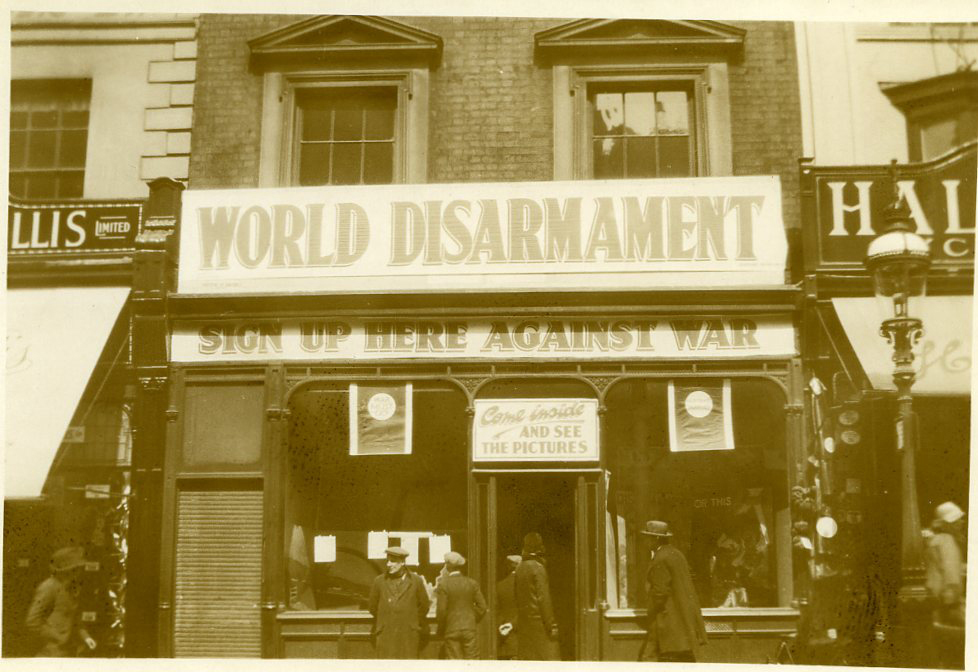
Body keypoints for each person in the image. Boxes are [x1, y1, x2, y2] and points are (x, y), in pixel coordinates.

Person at [640, 520, 708, 662]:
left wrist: (649, 610)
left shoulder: (660, 558)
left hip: (667, 621)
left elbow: (659, 592)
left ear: (656, 539)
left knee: (650, 658)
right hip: (682, 622)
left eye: (648, 537)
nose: (646, 541)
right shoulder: (676, 553)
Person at [25, 546, 97, 657]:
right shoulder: (48, 587)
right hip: (51, 653)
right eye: (76, 568)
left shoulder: (72, 588)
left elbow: (74, 617)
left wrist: (86, 637)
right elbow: (32, 621)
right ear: (67, 570)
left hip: (70, 650)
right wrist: (57, 637)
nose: (80, 572)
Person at [368, 546, 431, 659]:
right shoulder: (379, 581)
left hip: (408, 633)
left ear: (402, 562)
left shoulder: (416, 581)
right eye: (387, 561)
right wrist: (387, 618)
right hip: (386, 633)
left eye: (392, 561)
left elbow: (424, 606)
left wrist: (411, 621)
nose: (388, 564)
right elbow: (372, 607)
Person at [926, 501, 966, 668]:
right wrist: (954, 603)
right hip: (949, 600)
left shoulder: (935, 540)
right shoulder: (947, 540)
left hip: (937, 598)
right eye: (956, 521)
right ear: (947, 525)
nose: (960, 523)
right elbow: (950, 575)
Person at [515, 532, 560, 660]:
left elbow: (516, 598)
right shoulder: (538, 568)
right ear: (539, 547)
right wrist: (551, 625)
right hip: (540, 626)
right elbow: (543, 599)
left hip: (525, 625)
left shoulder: (520, 568)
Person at [434, 551, 486, 659]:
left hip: (451, 628)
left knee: (455, 664)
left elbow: (441, 611)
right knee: (472, 663)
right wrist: (471, 617)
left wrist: (443, 626)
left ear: (448, 566)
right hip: (469, 628)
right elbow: (482, 607)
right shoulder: (472, 583)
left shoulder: (444, 584)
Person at [496, 554, 521, 659]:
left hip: (505, 636)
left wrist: (503, 625)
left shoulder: (500, 585)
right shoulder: (524, 585)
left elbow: (497, 610)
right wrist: (513, 624)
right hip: (521, 634)